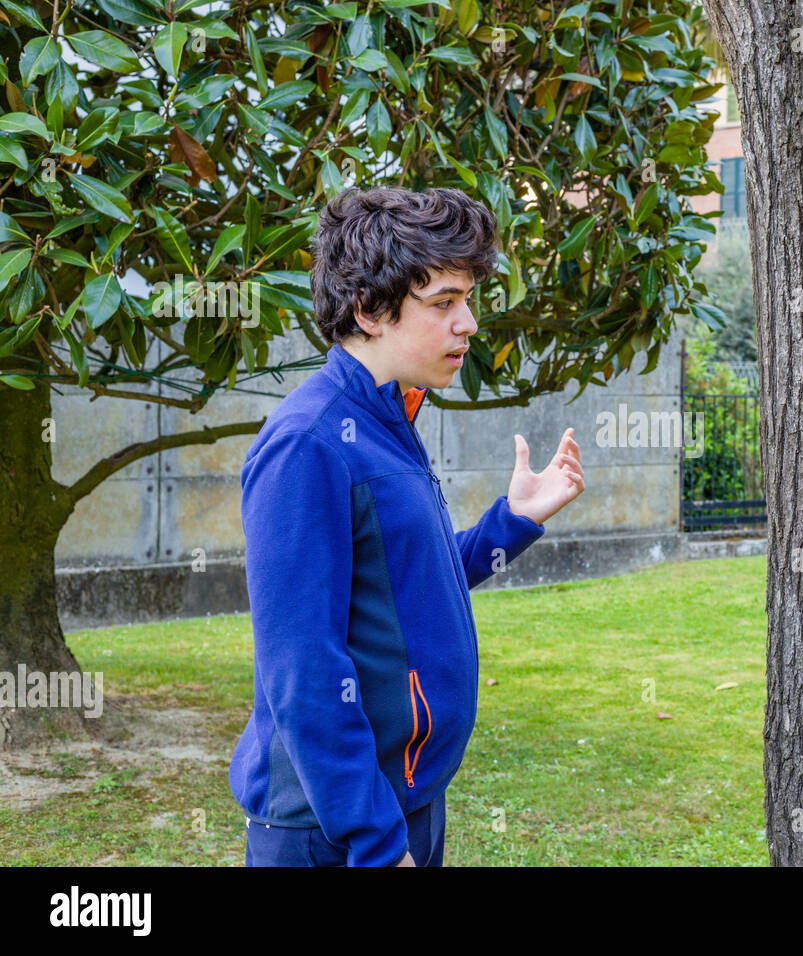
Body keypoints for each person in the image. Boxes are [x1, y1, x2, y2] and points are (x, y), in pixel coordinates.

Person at [230, 186, 585, 866]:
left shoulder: (387, 419)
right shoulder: (308, 444)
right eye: (444, 303)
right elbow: (302, 670)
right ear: (368, 310)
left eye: (468, 299)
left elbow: (404, 586)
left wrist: (511, 524)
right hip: (331, 832)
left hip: (406, 801)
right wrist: (376, 842)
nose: (469, 323)